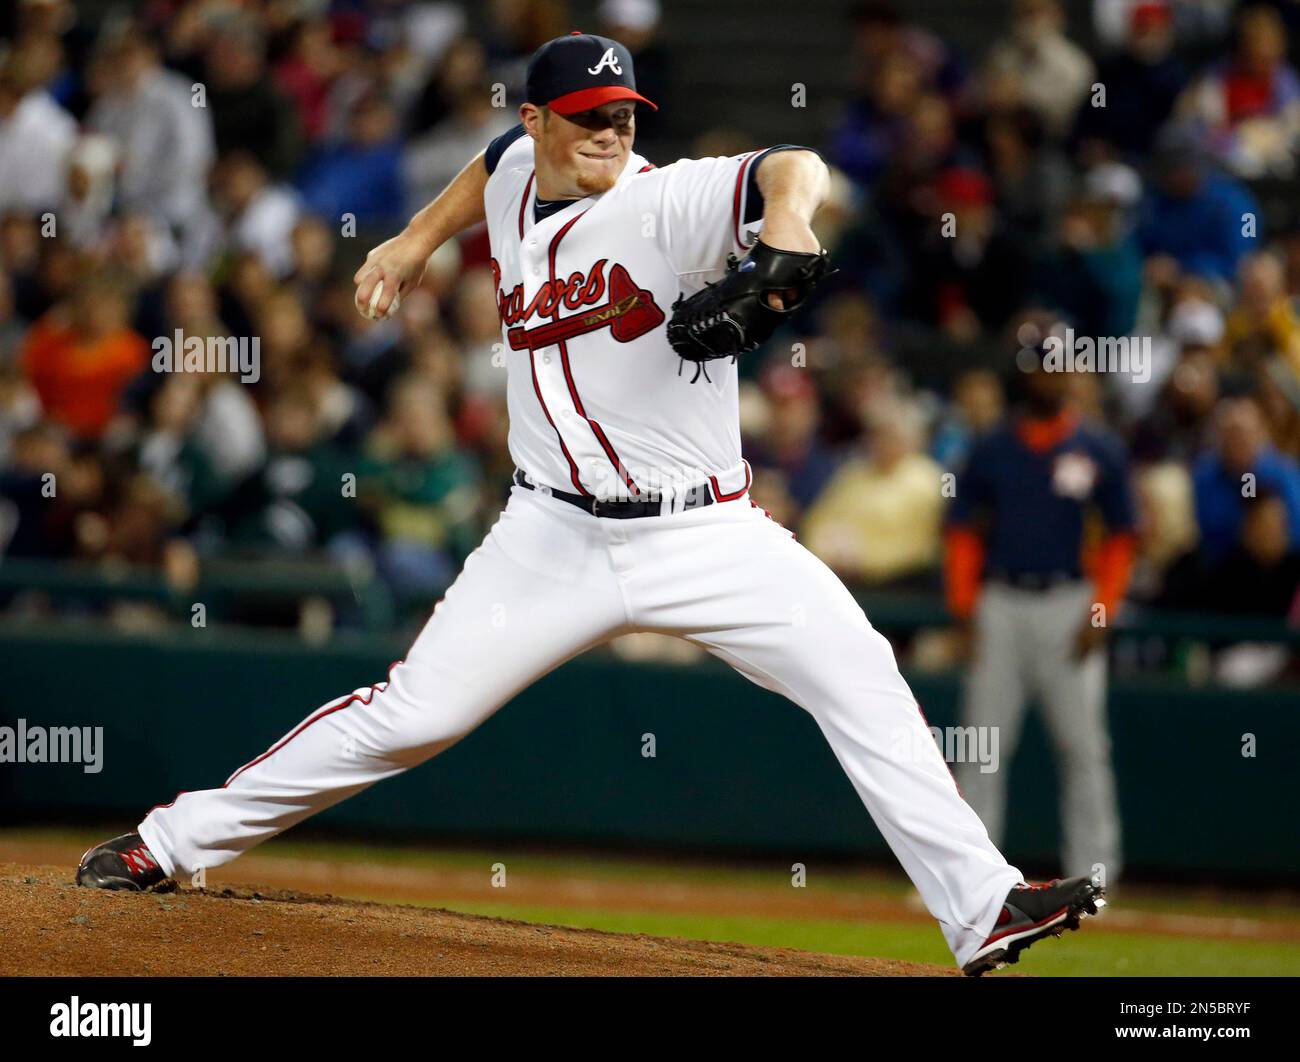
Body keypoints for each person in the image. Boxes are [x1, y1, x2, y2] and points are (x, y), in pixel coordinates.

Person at [76, 32, 1103, 977]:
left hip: (705, 530)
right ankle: (166, 841)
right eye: (589, 115)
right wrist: (411, 244)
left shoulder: (663, 203)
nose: (612, 131)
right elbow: (486, 165)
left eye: (624, 114)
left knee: (860, 672)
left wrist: (785, 223)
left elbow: (792, 168)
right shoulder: (519, 166)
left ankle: (982, 907)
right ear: (538, 121)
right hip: (551, 531)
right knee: (408, 718)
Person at [946, 349, 1135, 885]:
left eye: (1059, 366)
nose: (1051, 376)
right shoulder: (991, 448)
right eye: (1040, 366)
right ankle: (971, 880)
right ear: (1023, 374)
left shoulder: (1099, 447)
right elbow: (961, 531)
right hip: (1000, 603)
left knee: (1084, 748)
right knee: (982, 747)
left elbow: (1122, 539)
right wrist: (964, 610)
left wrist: (1101, 613)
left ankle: (1095, 879)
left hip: (1070, 603)